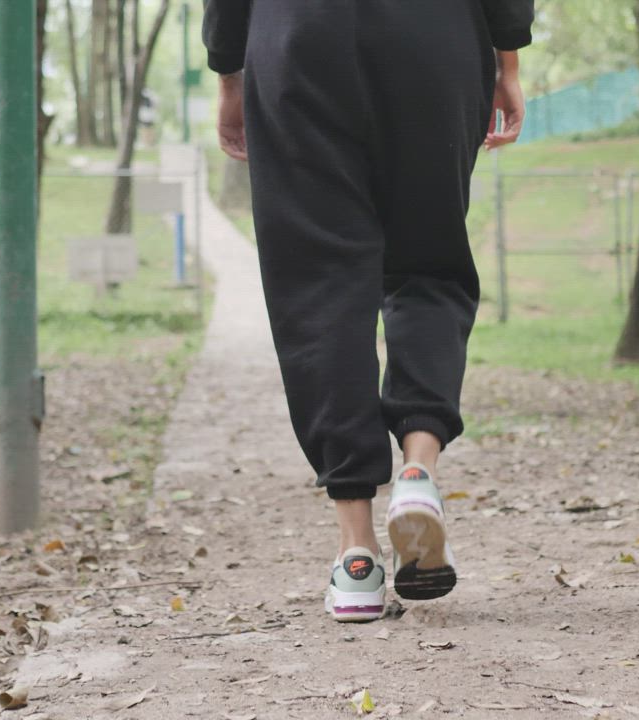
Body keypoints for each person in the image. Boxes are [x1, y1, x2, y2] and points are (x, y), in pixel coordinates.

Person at [203, 0, 532, 623]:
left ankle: (357, 557)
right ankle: (417, 469)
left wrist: (229, 74)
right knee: (427, 263)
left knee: (317, 283)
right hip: (435, 37)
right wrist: (507, 55)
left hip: (297, 38)